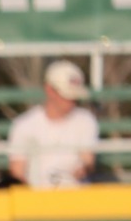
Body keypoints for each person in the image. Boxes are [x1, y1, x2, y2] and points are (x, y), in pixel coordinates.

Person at [8, 61, 99, 190]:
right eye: (67, 95)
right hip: (36, 201)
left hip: (76, 199)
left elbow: (88, 161)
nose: (72, 101)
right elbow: (17, 172)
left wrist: (78, 173)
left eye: (74, 96)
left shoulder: (85, 120)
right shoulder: (24, 125)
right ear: (50, 90)